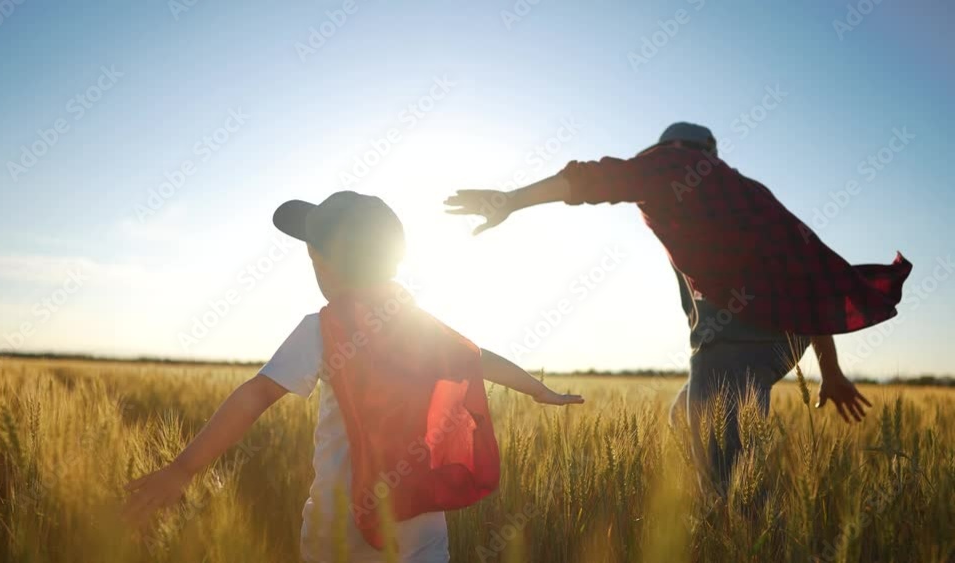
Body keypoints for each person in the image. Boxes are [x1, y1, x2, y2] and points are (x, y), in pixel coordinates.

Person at [444, 122, 911, 493]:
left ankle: (741, 534)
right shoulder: (751, 195)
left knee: (732, 486)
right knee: (686, 418)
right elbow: (808, 277)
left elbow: (595, 178)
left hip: (733, 343)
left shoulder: (672, 164)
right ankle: (705, 501)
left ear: (674, 150)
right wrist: (829, 371)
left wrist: (513, 199)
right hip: (783, 343)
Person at [123, 191, 584, 562]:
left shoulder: (323, 328)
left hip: (337, 527)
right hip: (419, 521)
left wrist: (183, 469)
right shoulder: (419, 325)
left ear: (322, 264)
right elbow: (478, 358)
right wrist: (538, 389)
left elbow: (255, 395)